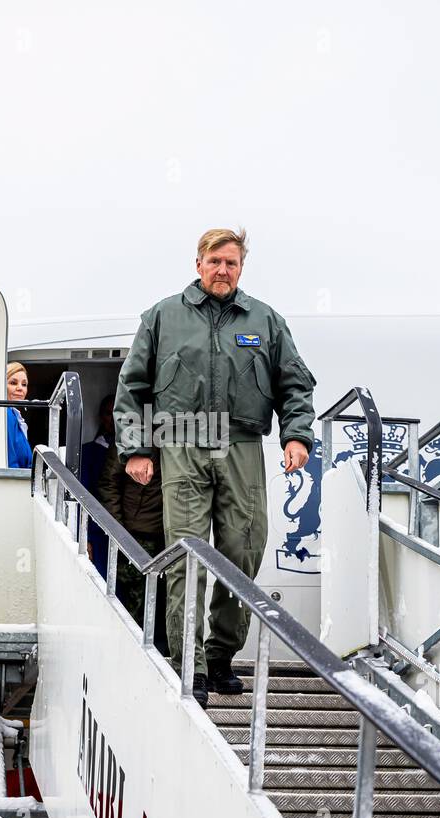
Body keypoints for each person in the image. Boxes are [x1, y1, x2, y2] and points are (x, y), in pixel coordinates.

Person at [112, 228, 316, 707]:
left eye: (232, 263)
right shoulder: (162, 316)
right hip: (180, 442)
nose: (223, 270)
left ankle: (221, 654)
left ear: (241, 267)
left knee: (243, 550)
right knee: (186, 556)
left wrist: (296, 434)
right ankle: (191, 666)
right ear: (198, 263)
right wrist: (136, 449)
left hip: (242, 443)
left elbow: (295, 383)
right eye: (215, 261)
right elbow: (132, 387)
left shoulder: (265, 320)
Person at [95, 424, 168, 655]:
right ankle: (129, 656)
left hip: (171, 537)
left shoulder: (181, 432)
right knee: (134, 608)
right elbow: (108, 484)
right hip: (135, 537)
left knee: (165, 605)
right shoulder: (132, 433)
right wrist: (120, 532)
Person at [80, 394, 115, 579]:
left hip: (132, 532)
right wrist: (85, 537)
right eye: (109, 414)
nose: (114, 419)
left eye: (118, 413)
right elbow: (82, 495)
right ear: (102, 417)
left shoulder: (137, 455)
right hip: (97, 531)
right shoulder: (88, 452)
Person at [5, 361, 34, 469]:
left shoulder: (14, 416)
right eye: (13, 383)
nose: (20, 388)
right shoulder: (6, 414)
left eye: (24, 384)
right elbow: (10, 462)